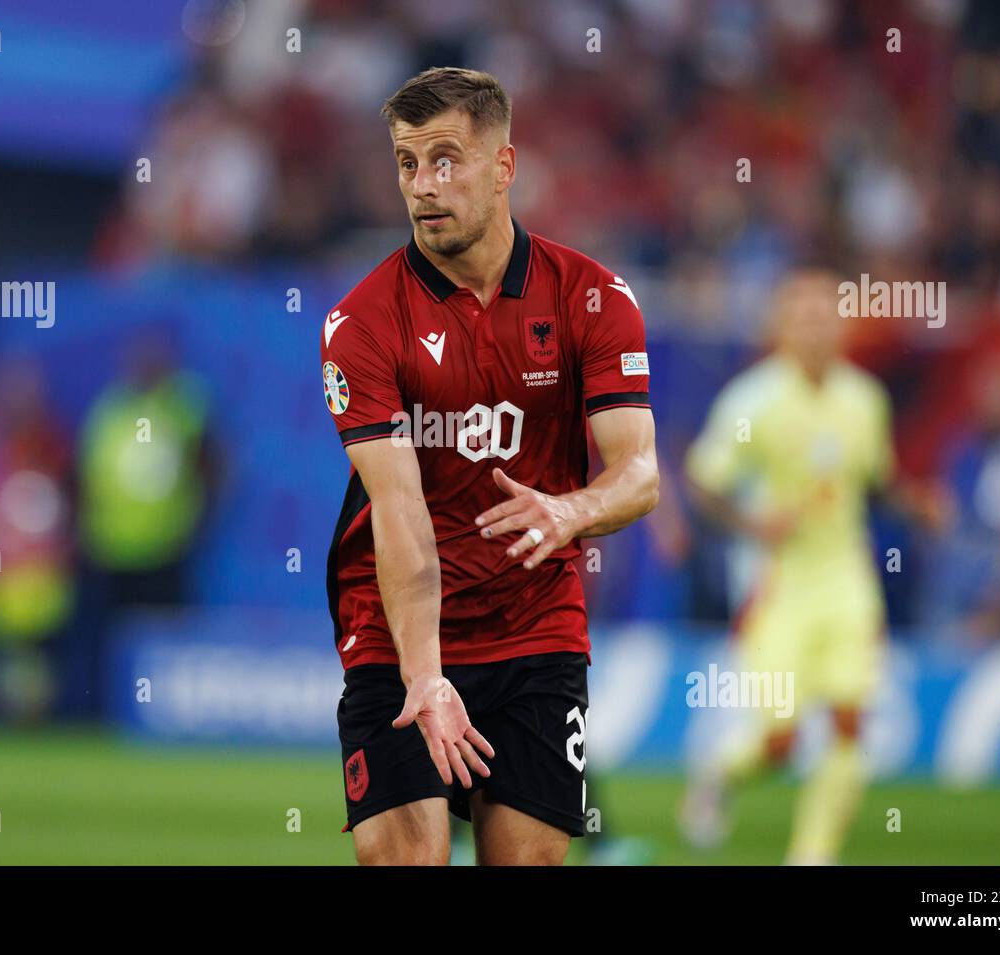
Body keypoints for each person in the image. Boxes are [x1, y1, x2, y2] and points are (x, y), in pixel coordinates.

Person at [320, 67, 660, 865]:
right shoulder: (360, 323)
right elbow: (398, 512)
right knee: (405, 858)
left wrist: (570, 511)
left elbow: (638, 472)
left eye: (447, 160)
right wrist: (427, 677)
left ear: (503, 168)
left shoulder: (593, 298)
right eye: (408, 163)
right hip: (397, 630)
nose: (424, 185)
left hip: (535, 623)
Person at [680, 268, 899, 865]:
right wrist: (753, 526)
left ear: (844, 326)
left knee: (851, 719)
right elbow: (703, 481)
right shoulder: (754, 401)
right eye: (802, 316)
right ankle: (720, 774)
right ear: (780, 328)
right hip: (777, 584)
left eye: (826, 315)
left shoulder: (865, 400)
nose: (816, 327)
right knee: (779, 741)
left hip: (847, 577)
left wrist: (921, 505)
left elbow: (876, 479)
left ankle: (812, 854)